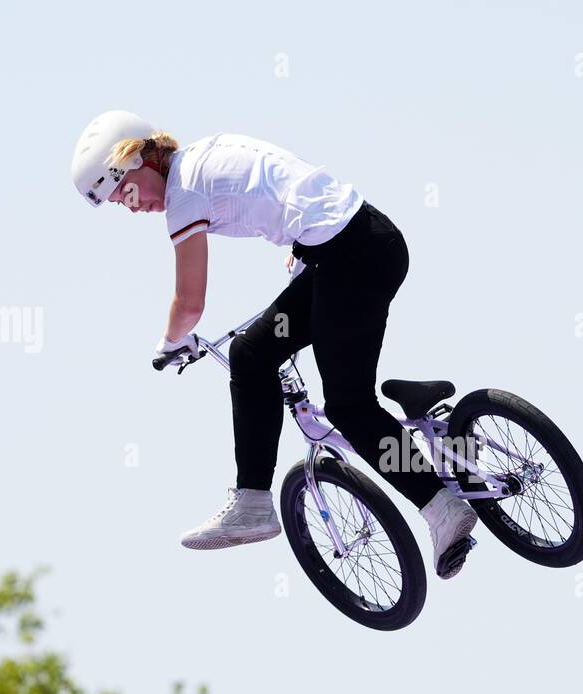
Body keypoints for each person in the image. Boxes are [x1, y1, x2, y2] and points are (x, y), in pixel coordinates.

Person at [70, 110, 478, 578]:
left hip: (348, 259)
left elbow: (189, 302)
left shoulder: (184, 196)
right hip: (355, 244)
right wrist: (303, 248)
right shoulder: (208, 151)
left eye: (124, 190)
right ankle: (254, 502)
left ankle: (442, 508)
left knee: (349, 408)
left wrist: (169, 344)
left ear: (139, 158)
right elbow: (290, 181)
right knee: (252, 354)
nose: (130, 205)